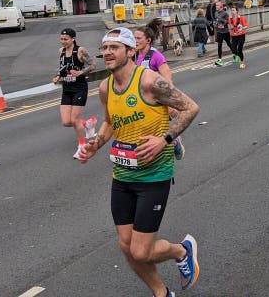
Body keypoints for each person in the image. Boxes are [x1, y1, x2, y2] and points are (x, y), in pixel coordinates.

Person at [78, 28, 200, 297]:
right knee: (126, 247)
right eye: (105, 47)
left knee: (140, 251)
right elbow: (110, 123)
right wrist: (95, 145)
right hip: (122, 176)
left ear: (131, 51)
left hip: (154, 176)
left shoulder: (150, 82)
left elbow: (190, 108)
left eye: (115, 47)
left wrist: (164, 139)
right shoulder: (104, 87)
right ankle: (162, 293)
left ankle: (182, 250)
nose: (107, 52)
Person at [134, 22, 184, 160]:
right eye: (134, 38)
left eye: (138, 38)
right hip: (143, 99)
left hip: (158, 101)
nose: (135, 41)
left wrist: (169, 103)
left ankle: (173, 141)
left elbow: (168, 79)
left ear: (148, 40)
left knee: (154, 129)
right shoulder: (135, 56)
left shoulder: (155, 55)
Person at [52, 28, 96, 159]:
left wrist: (81, 72)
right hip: (67, 89)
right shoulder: (61, 51)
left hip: (79, 88)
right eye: (61, 39)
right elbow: (62, 67)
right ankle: (88, 124)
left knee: (74, 119)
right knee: (66, 122)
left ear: (73, 39)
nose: (63, 42)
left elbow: (93, 64)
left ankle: (81, 146)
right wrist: (57, 76)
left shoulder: (80, 50)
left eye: (65, 39)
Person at [212, 0, 231, 66]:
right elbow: (215, 20)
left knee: (229, 44)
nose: (216, 6)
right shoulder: (215, 13)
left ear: (221, 6)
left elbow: (226, 22)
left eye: (217, 5)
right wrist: (214, 23)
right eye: (216, 5)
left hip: (225, 31)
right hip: (219, 31)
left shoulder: (225, 13)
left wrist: (220, 19)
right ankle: (219, 59)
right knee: (219, 45)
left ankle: (235, 54)